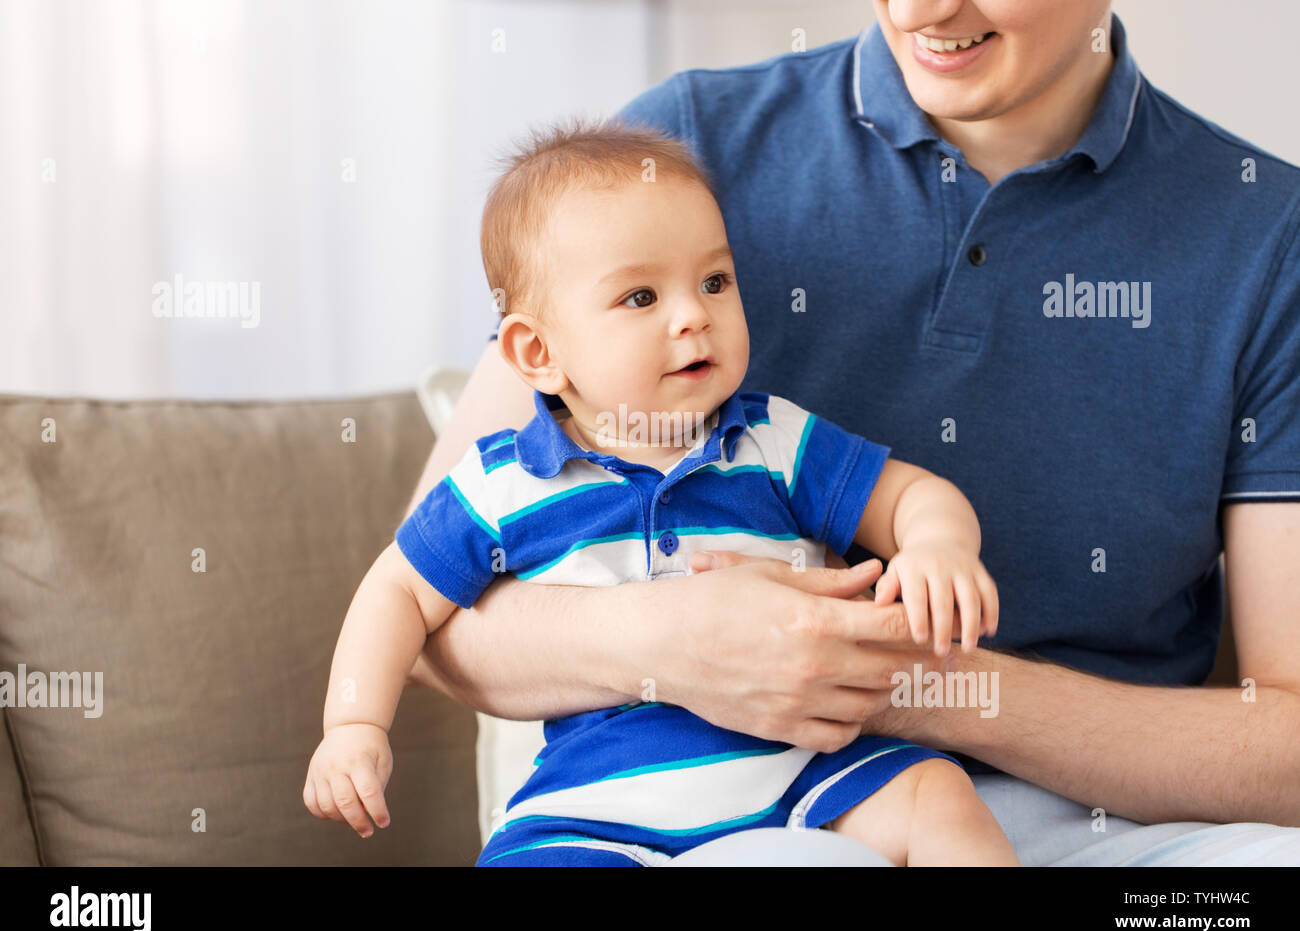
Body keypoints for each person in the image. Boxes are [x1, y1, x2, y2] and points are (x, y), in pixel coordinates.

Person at [403, 2, 1300, 865]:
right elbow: (435, 617)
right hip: (751, 812)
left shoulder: (1268, 232)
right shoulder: (678, 152)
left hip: (1114, 827)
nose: (920, 9)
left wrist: (903, 683)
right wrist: (666, 640)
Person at [304, 119, 1021, 866]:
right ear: (538, 353)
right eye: (641, 297)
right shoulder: (500, 484)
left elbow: (911, 496)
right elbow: (395, 592)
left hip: (802, 777)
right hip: (593, 809)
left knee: (936, 794)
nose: (693, 315)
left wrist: (938, 545)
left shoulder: (773, 441)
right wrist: (354, 725)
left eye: (714, 282)